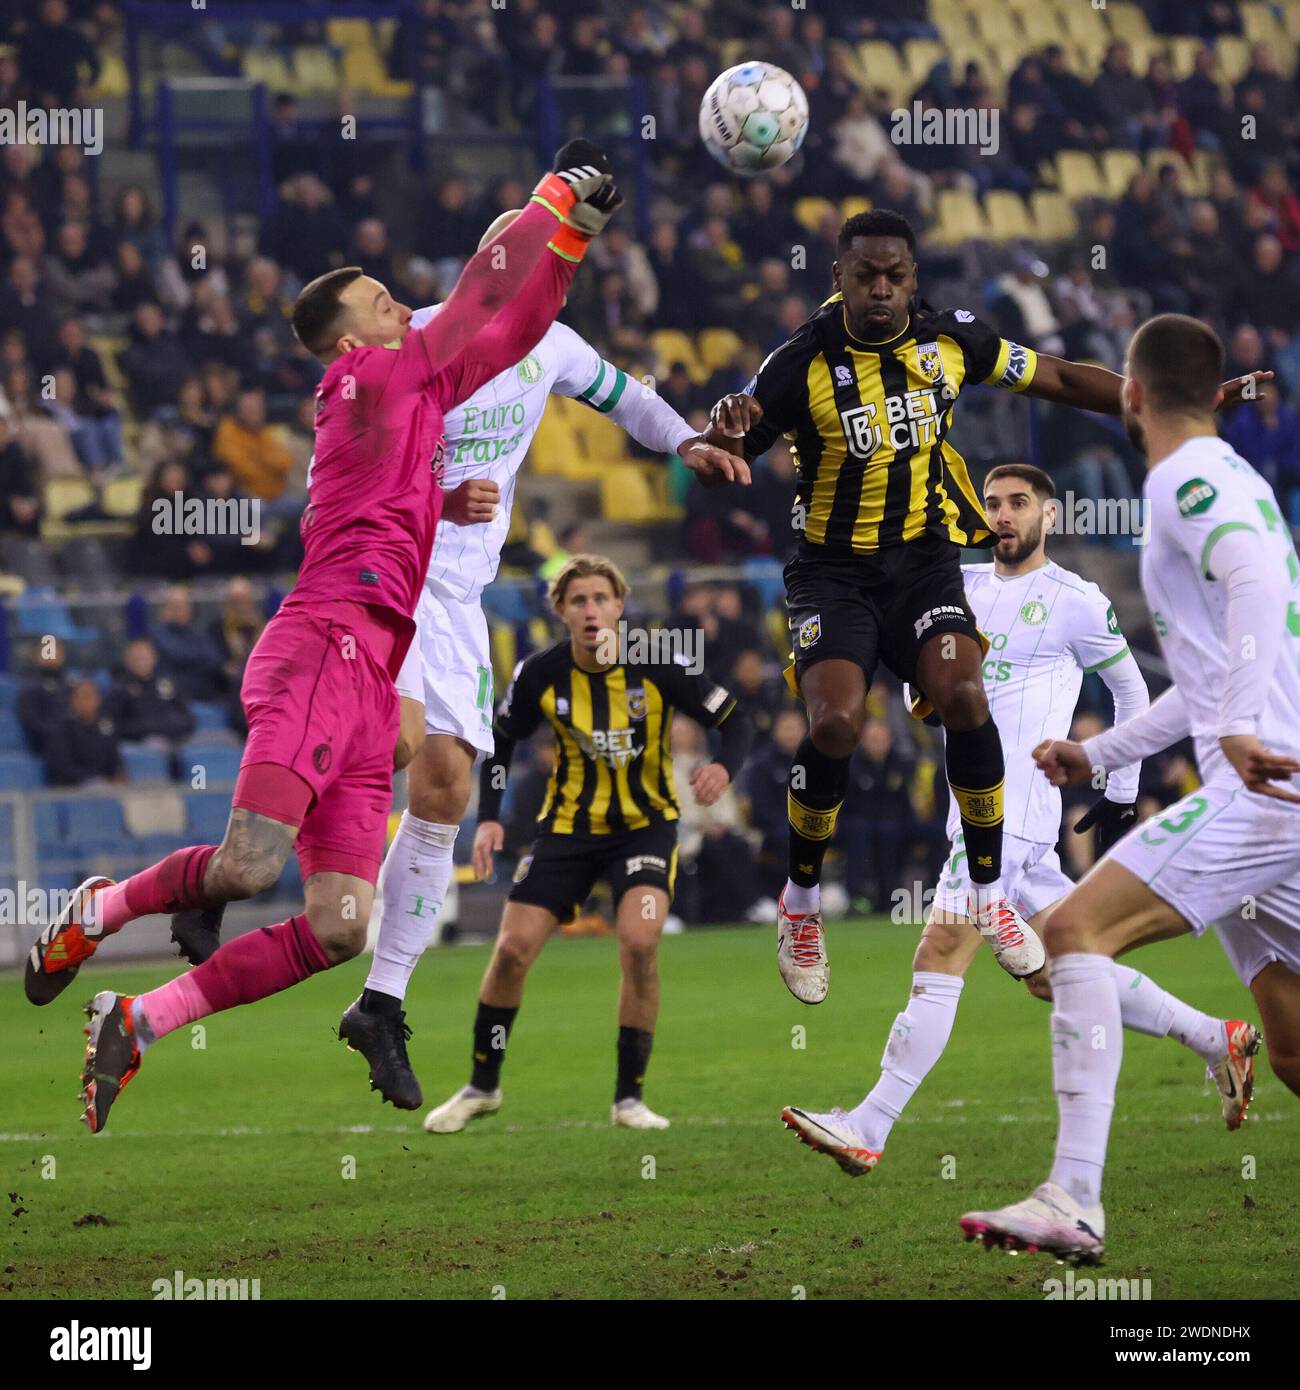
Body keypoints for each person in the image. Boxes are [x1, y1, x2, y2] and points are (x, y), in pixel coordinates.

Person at [23, 142, 625, 1135]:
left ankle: (137, 1019)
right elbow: (484, 300)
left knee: (344, 926)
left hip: (372, 674)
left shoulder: (405, 392)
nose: (403, 308)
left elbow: (516, 321)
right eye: (384, 301)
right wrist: (552, 197)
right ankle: (100, 908)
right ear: (348, 340)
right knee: (250, 866)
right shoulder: (373, 381)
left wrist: (573, 240)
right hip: (322, 646)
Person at [702, 209, 1267, 1007]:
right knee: (833, 723)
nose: (883, 290)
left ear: (913, 278)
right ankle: (800, 907)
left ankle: (992, 895)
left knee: (967, 695)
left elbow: (1066, 378)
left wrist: (1183, 404)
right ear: (839, 278)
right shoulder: (797, 366)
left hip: (926, 564)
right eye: (866, 276)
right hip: (833, 573)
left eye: (896, 275)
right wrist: (721, 434)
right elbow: (723, 457)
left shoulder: (951, 341)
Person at [342, 209, 746, 1109]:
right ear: (488, 264)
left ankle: (381, 1001)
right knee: (398, 749)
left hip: (458, 600)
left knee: (443, 792)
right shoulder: (420, 342)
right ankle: (281, 849)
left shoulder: (554, 345)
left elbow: (629, 397)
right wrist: (441, 497)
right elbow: (352, 459)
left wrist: (685, 440)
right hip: (389, 572)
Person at [782, 463, 1256, 1179]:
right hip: (976, 818)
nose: (1003, 515)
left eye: (1019, 503)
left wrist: (1118, 786)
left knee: (939, 952)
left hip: (1016, 816)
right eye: (994, 503)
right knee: (1059, 968)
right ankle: (1216, 1037)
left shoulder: (1076, 600)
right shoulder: (957, 589)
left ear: (1049, 516)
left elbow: (1133, 692)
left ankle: (869, 1124)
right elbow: (920, 677)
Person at [960, 314, 1300, 1263]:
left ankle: (1073, 1197)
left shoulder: (1184, 482)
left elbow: (1258, 583)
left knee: (1070, 930)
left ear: (1135, 395)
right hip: (1279, 782)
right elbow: (1197, 678)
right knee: (1291, 1053)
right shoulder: (1231, 474)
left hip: (1259, 785)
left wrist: (1237, 725)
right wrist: (1102, 754)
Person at [421, 555, 753, 1133]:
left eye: (601, 598)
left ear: (620, 606)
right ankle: (482, 1085)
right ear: (561, 612)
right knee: (510, 951)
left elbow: (736, 721)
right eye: (578, 600)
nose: (591, 609)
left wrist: (725, 767)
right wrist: (493, 818)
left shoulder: (660, 663)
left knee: (639, 943)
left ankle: (630, 1098)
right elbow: (499, 746)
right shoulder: (539, 674)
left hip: (645, 828)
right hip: (567, 833)